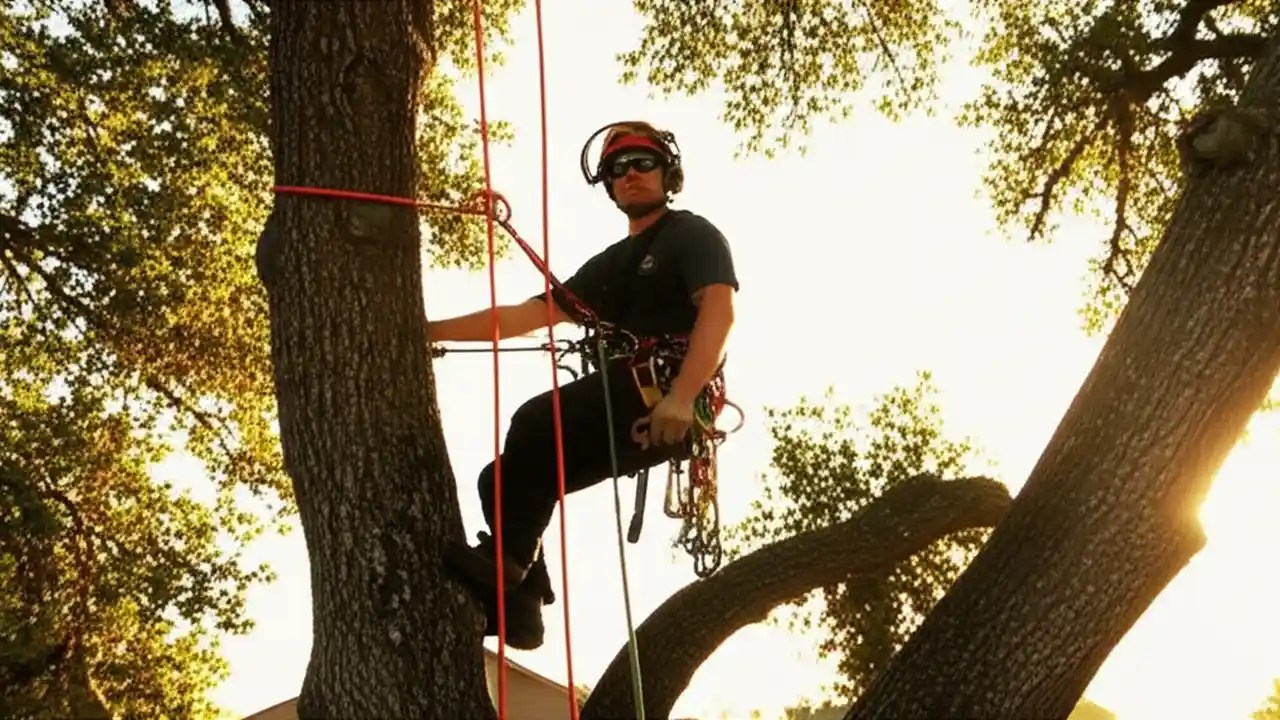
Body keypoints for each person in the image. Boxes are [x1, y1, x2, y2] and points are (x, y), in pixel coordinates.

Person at [431, 120, 739, 649]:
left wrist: (682, 398)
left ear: (669, 174)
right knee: (502, 480)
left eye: (643, 163)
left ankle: (506, 570)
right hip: (634, 401)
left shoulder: (692, 235)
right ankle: (525, 604)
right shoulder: (608, 266)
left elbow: (719, 311)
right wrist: (427, 330)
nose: (630, 175)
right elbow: (526, 316)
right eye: (617, 170)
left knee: (533, 421)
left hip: (662, 395)